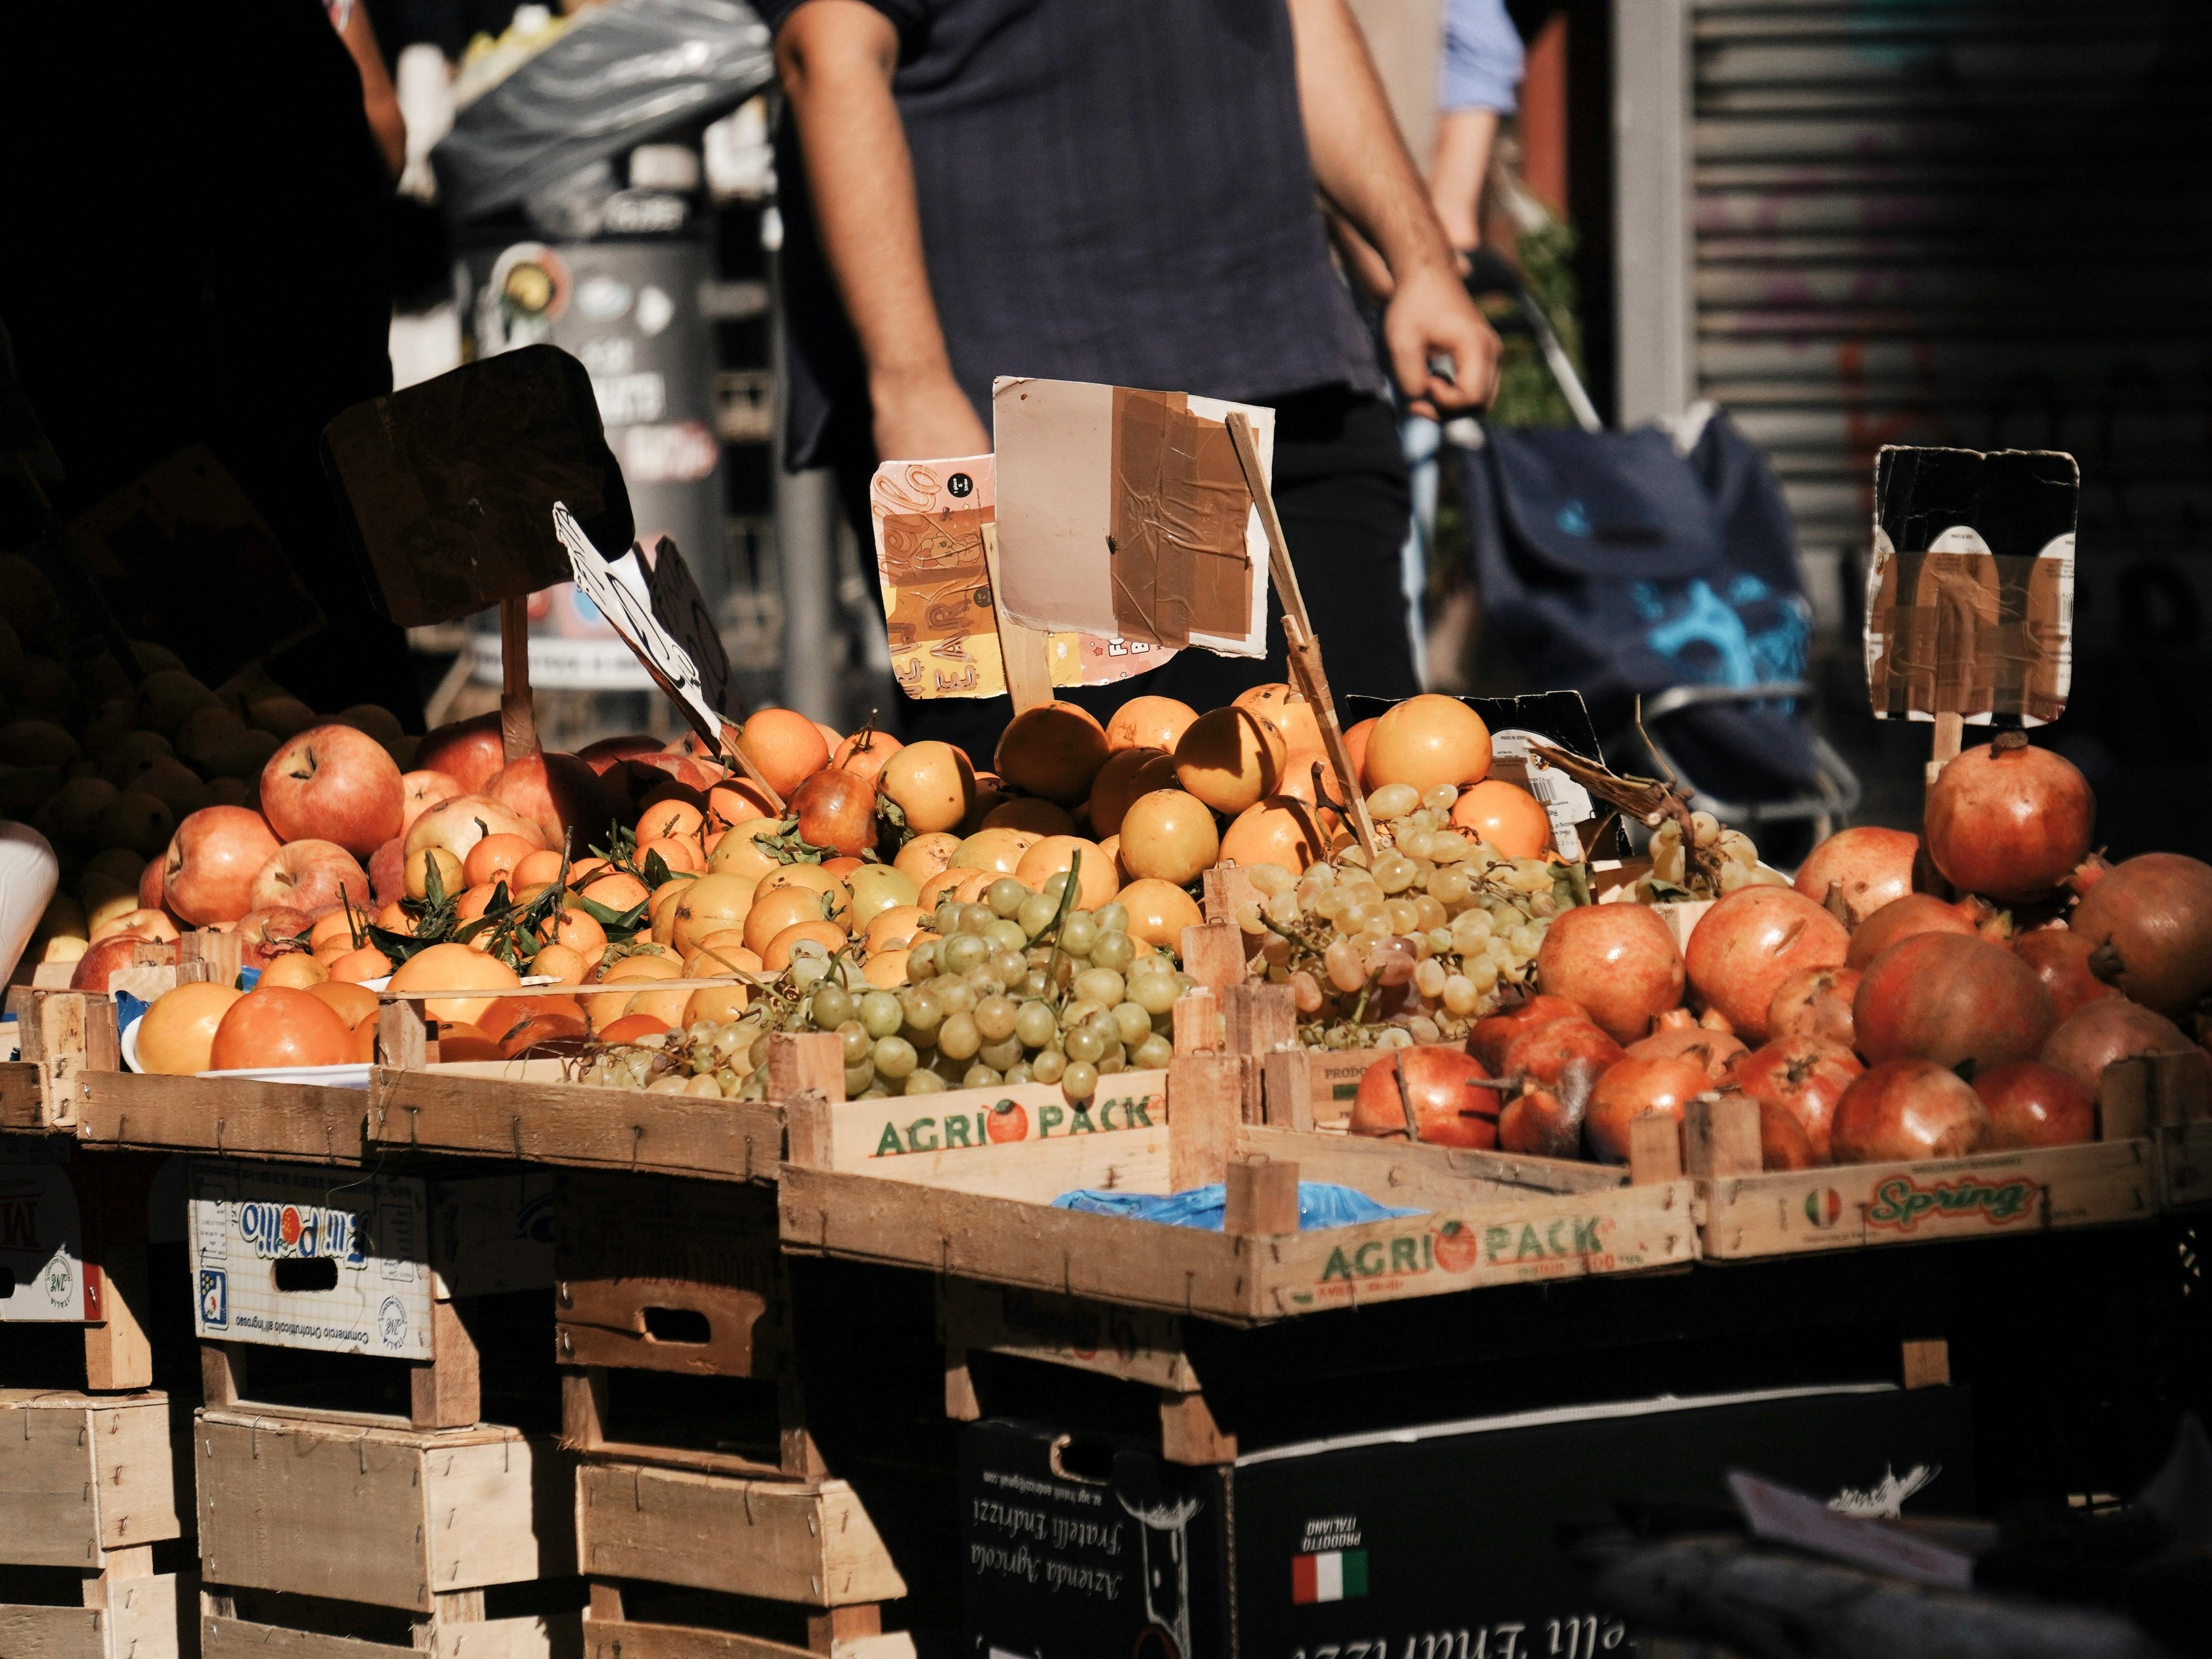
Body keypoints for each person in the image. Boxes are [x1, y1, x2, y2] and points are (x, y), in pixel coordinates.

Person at [764, 0, 1502, 755]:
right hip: (1026, 423)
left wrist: (1420, 261)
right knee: (1035, 829)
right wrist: (912, 384)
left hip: (1289, 382)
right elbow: (831, 49)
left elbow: (1301, 17)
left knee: (1357, 802)